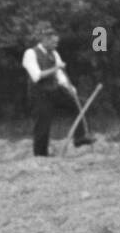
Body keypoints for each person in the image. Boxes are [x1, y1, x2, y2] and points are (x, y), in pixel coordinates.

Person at [22, 23, 94, 156]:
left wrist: (70, 88)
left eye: (57, 42)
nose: (56, 45)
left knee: (80, 104)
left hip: (54, 91)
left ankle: (80, 137)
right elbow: (37, 76)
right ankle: (40, 156)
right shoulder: (30, 54)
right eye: (54, 42)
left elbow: (61, 76)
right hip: (39, 95)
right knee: (42, 126)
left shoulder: (54, 54)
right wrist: (56, 68)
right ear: (45, 40)